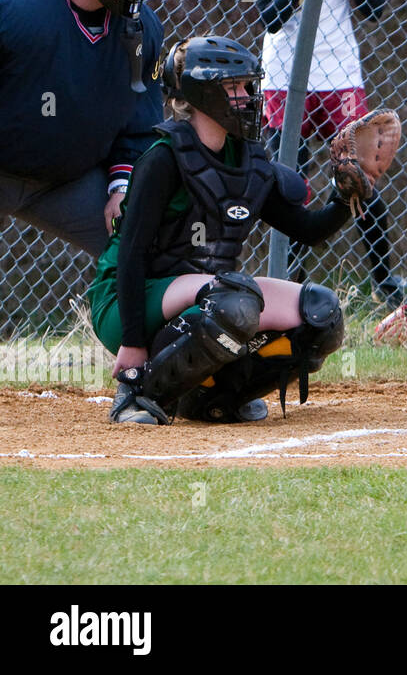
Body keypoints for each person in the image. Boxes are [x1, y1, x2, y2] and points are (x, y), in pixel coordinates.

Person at [88, 35, 354, 425]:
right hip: (129, 299)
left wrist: (346, 196)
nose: (247, 97)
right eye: (235, 87)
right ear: (202, 93)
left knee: (321, 315)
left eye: (248, 86)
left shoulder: (245, 159)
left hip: (209, 295)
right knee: (234, 301)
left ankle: (217, 398)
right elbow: (131, 255)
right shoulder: (164, 158)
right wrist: (131, 344)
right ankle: (138, 391)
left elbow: (308, 231)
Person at [252, 0, 404, 308]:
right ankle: (293, 285)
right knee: (289, 178)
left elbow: (376, 8)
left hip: (339, 70)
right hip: (286, 74)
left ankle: (385, 280)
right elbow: (269, 17)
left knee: (358, 174)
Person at [0, 0, 164, 258]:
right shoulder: (15, 10)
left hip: (67, 179)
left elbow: (141, 122)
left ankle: (126, 316)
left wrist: (123, 187)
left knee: (150, 250)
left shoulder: (142, 28)